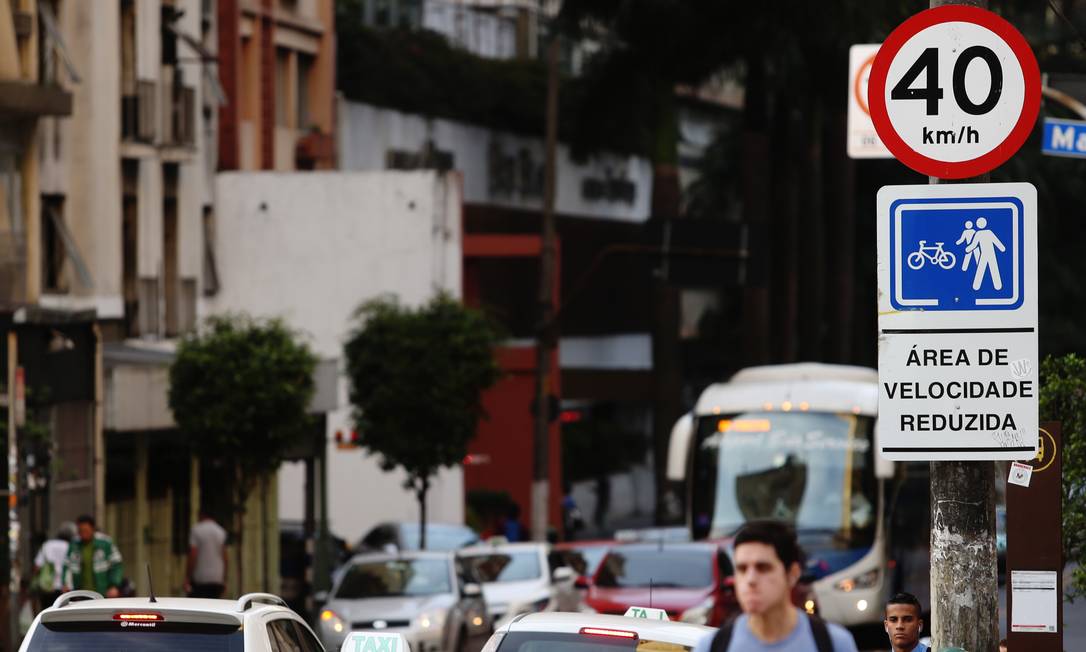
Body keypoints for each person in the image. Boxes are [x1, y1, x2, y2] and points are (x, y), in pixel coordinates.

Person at [694, 520, 857, 652]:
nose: (750, 579)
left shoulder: (833, 643)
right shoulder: (712, 646)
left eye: (763, 568)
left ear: (792, 574)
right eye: (742, 569)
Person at [63, 515, 123, 597]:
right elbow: (67, 566)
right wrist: (66, 584)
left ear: (93, 529)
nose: (83, 534)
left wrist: (114, 585)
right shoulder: (74, 545)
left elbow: (117, 565)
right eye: (80, 531)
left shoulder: (105, 543)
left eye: (86, 531)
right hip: (79, 593)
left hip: (102, 592)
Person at [185, 510, 228, 598]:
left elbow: (193, 554)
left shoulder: (196, 530)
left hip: (200, 579)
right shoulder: (220, 531)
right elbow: (225, 557)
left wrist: (187, 577)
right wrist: (224, 579)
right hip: (217, 579)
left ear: (201, 515)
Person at [33, 523, 74, 609]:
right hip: (65, 587)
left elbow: (37, 566)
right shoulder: (71, 547)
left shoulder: (47, 545)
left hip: (47, 586)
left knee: (47, 612)